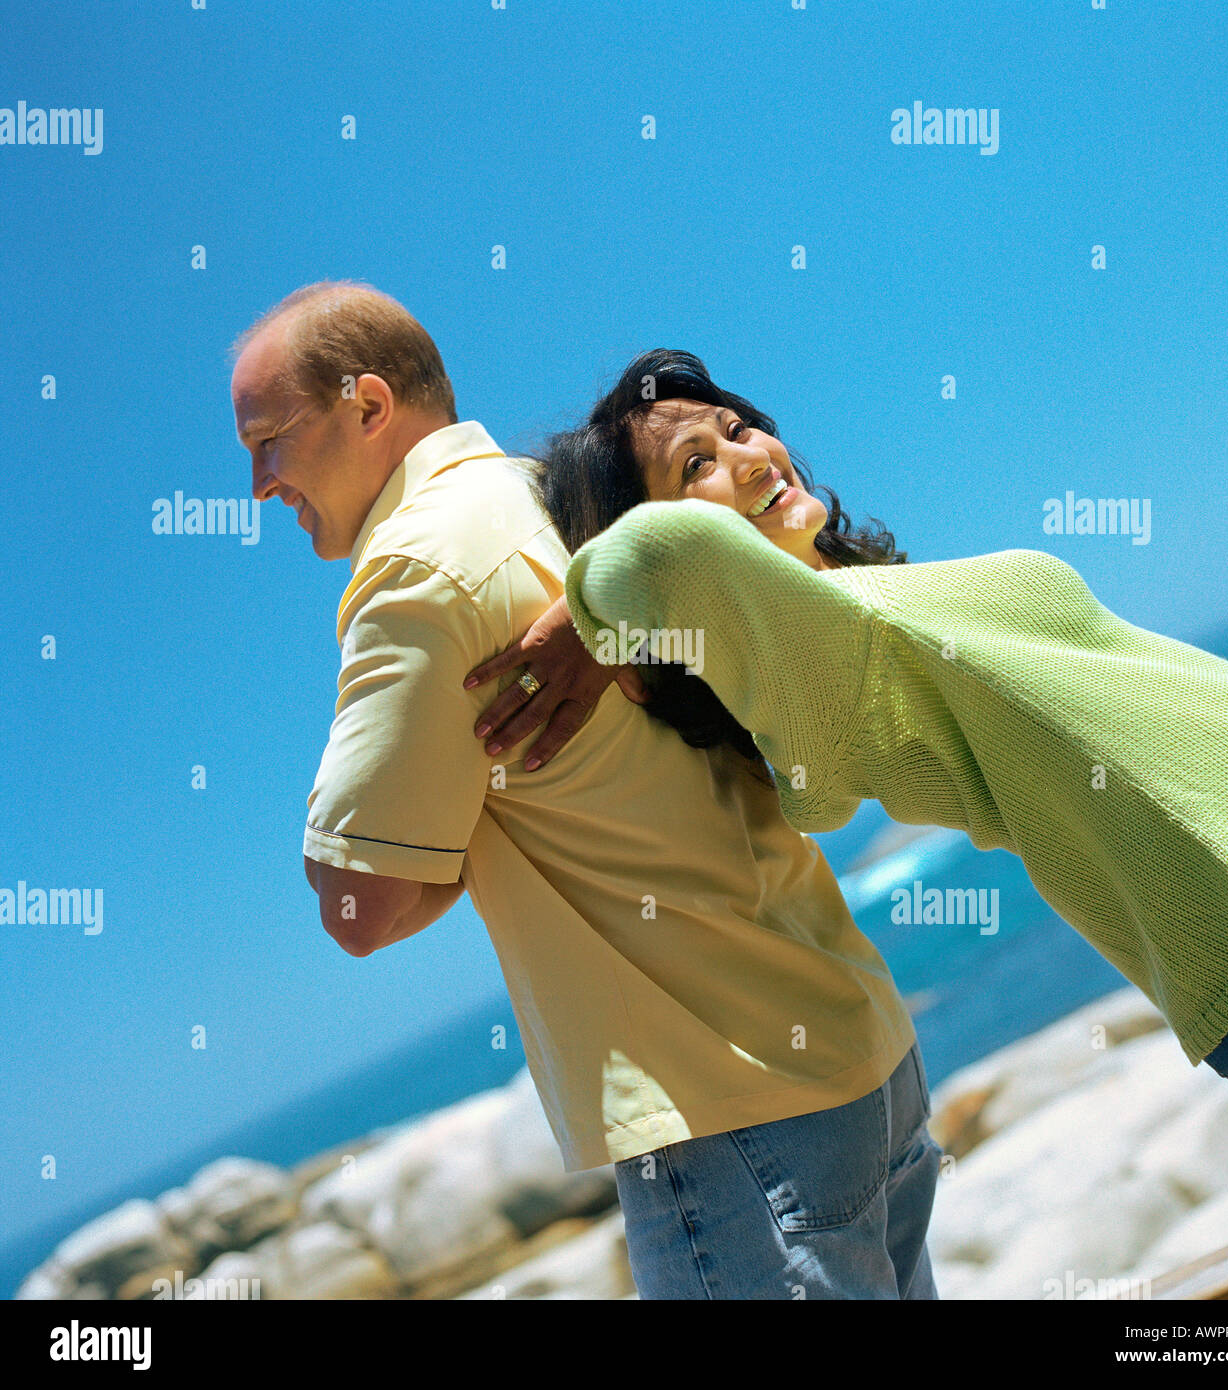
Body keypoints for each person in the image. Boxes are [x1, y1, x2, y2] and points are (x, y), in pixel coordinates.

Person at [229, 285, 942, 1299]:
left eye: (269, 439)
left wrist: (448, 818)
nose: (258, 482)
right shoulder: (573, 492)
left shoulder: (418, 573)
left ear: (368, 405)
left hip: (731, 1112)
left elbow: (358, 901)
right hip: (860, 1046)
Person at [464, 349, 1228, 1121]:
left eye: (737, 427)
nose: (753, 456)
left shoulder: (874, 603)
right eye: (696, 466)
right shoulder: (822, 670)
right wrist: (590, 616)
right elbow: (663, 550)